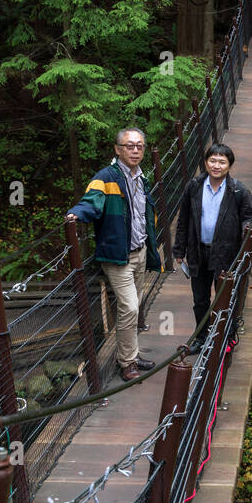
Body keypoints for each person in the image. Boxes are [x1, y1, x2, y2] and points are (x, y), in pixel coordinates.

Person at [66, 126, 162, 381]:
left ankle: (132, 354)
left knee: (133, 306)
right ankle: (127, 362)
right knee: (129, 307)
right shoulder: (106, 177)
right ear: (118, 149)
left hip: (139, 252)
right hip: (118, 256)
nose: (135, 150)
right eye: (129, 145)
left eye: (139, 145)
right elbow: (92, 200)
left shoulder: (142, 178)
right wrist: (77, 214)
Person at [172, 143, 252, 349]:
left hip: (226, 253)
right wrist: (179, 250)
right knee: (200, 300)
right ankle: (201, 339)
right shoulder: (193, 187)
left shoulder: (238, 190)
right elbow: (183, 220)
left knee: (225, 297)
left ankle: (226, 336)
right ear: (206, 162)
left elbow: (248, 217)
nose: (216, 165)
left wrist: (249, 232)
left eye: (221, 162)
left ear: (229, 165)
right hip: (198, 251)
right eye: (212, 160)